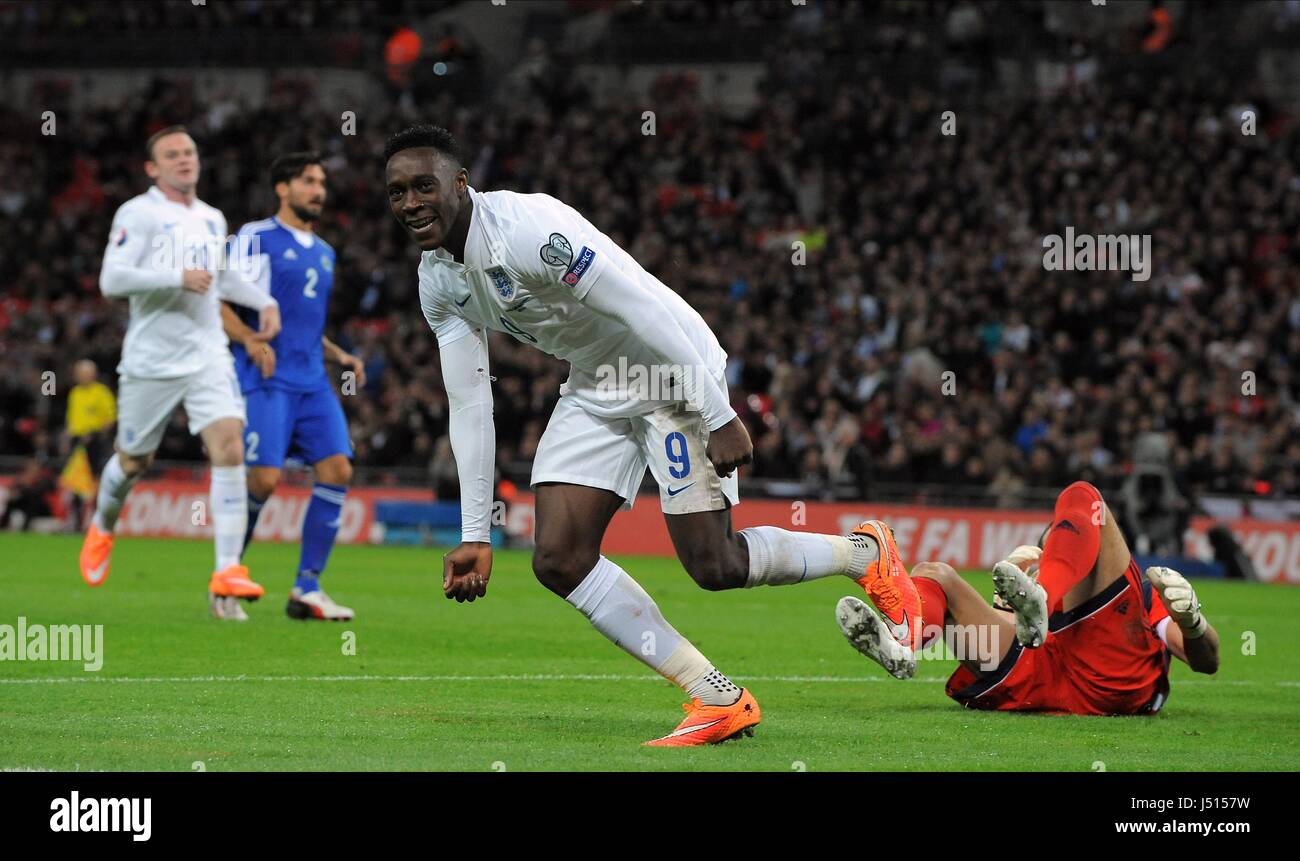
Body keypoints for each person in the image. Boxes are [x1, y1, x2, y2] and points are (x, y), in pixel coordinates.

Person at [384, 124, 922, 746]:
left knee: (714, 564)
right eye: (397, 193)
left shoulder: (530, 231)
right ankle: (715, 697)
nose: (411, 203)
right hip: (595, 383)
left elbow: (642, 306)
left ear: (460, 183)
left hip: (668, 370)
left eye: (424, 186)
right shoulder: (436, 282)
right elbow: (470, 399)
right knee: (558, 558)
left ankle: (864, 554)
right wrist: (474, 533)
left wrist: (716, 410)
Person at [80, 125, 281, 619]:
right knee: (133, 461)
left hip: (207, 352)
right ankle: (104, 524)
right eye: (172, 154)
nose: (184, 159)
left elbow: (224, 273)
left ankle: (227, 571)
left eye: (189, 151)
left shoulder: (212, 217)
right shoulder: (139, 212)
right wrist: (176, 276)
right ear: (153, 168)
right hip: (152, 359)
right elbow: (112, 278)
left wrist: (263, 299)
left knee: (230, 445)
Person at [837, 481, 1220, 715]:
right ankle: (904, 641)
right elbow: (1005, 634)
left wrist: (1192, 623)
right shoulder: (1033, 597)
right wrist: (1003, 605)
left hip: (1108, 681)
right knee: (933, 574)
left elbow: (1206, 660)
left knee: (1084, 499)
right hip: (1041, 676)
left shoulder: (1148, 595)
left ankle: (1044, 596)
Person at [219, 151, 365, 622]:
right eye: (307, 180)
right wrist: (248, 340)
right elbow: (220, 300)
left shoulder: (325, 252)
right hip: (266, 379)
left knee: (338, 471)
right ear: (282, 188)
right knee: (264, 479)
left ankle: (307, 589)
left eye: (321, 181)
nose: (318, 189)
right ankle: (227, 578)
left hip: (312, 381)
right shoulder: (255, 237)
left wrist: (338, 354)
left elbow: (303, 324)